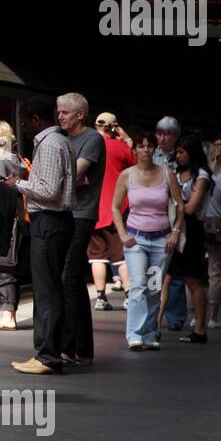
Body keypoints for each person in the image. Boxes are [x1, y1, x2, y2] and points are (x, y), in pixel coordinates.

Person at [8, 96, 76, 376]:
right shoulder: (59, 142)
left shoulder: (49, 145)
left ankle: (48, 356)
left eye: (25, 123)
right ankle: (49, 352)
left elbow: (49, 192)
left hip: (48, 223)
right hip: (55, 223)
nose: (23, 129)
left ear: (37, 120)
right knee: (50, 289)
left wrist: (18, 184)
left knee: (47, 292)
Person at [112, 130, 185, 349]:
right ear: (134, 150)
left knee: (154, 288)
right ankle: (134, 333)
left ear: (155, 150)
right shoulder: (126, 175)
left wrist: (175, 232)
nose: (146, 149)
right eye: (141, 145)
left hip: (162, 241)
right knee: (138, 286)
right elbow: (115, 207)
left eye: (149, 146)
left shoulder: (167, 173)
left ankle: (151, 333)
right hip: (136, 240)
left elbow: (179, 205)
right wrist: (123, 234)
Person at [57, 93, 105, 364]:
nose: (60, 116)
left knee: (67, 277)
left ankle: (68, 346)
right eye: (59, 111)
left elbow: (73, 175)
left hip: (81, 215)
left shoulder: (92, 139)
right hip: (66, 212)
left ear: (80, 115)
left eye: (65, 112)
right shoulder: (62, 138)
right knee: (73, 279)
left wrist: (65, 176)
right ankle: (82, 348)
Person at [161, 134, 212, 343]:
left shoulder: (202, 176)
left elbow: (192, 207)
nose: (179, 156)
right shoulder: (174, 172)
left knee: (193, 280)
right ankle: (155, 324)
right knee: (165, 277)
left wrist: (175, 201)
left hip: (191, 230)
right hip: (173, 224)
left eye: (182, 152)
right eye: (178, 152)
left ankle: (200, 328)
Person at [89, 112, 136, 310]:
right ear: (114, 127)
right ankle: (128, 296)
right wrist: (127, 141)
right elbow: (138, 167)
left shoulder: (87, 146)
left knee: (96, 256)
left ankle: (100, 298)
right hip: (118, 209)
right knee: (121, 256)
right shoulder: (121, 148)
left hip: (93, 209)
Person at [0, 120, 26, 331]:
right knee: (10, 264)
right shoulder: (18, 161)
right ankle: (9, 313)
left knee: (1, 266)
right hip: (18, 218)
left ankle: (8, 316)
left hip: (3, 220)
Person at [154, 116, 188, 331]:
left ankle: (175, 316)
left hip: (174, 214)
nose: (163, 138)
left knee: (174, 272)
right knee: (155, 272)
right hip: (154, 214)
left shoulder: (181, 157)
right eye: (160, 133)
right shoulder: (150, 154)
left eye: (168, 134)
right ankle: (153, 315)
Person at [203, 139, 221, 330]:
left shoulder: (197, 178)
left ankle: (194, 314)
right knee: (216, 272)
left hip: (200, 223)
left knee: (195, 275)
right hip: (217, 224)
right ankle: (212, 317)